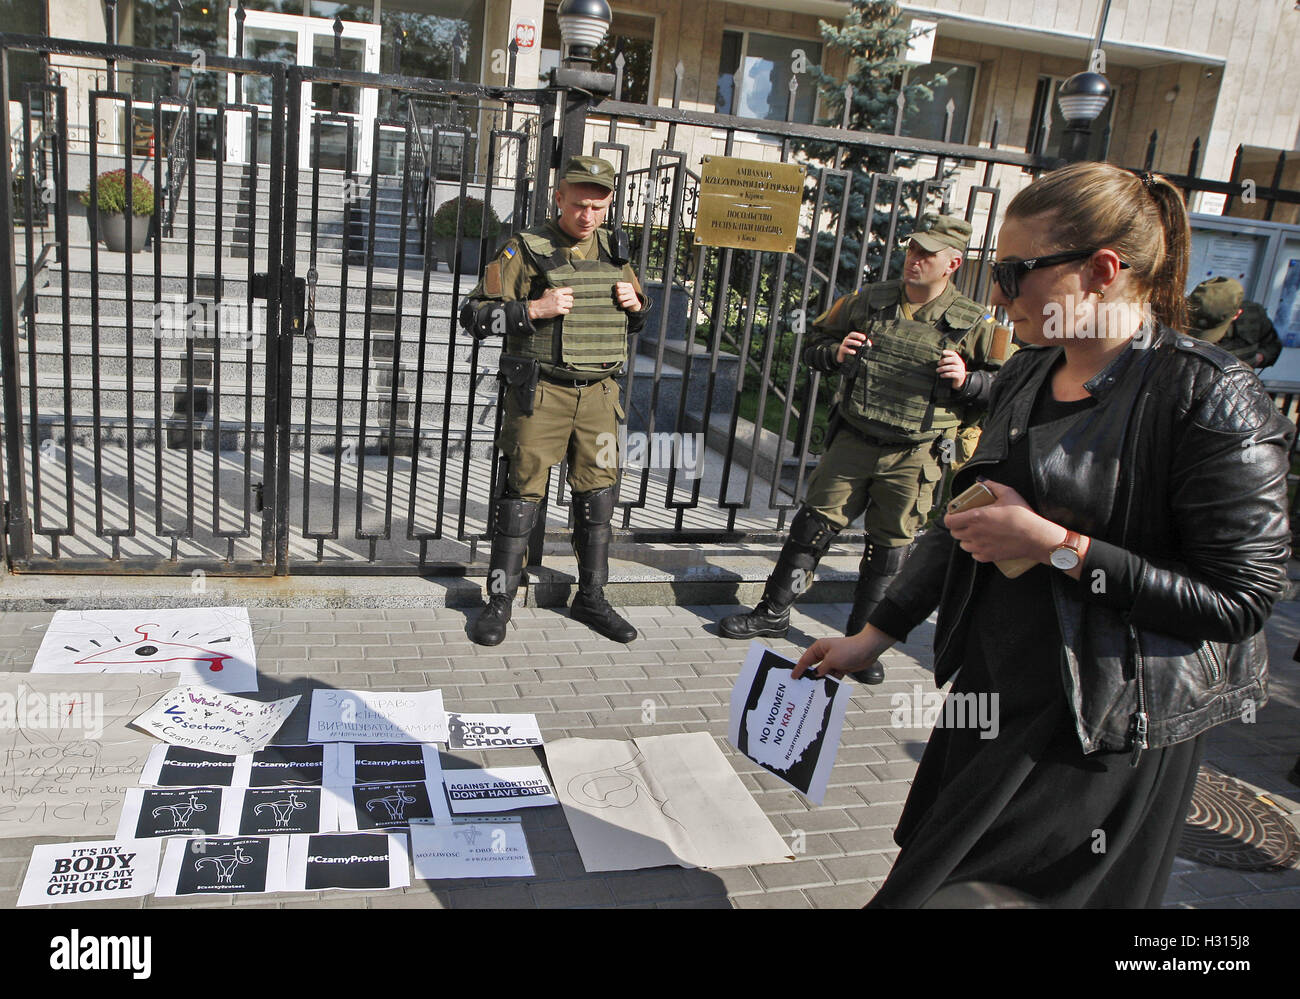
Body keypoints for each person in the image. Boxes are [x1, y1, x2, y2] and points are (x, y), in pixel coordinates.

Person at [794, 163, 1293, 908]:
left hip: (1101, 729)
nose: (998, 293)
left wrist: (1057, 543)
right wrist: (873, 636)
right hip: (996, 694)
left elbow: (1238, 599)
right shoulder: (1030, 372)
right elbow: (967, 521)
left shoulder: (1208, 394)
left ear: (1102, 271)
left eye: (1017, 271)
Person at [719, 214, 1012, 685]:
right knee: (811, 529)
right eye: (912, 249)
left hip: (915, 454)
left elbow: (1008, 387)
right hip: (854, 441)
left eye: (927, 255)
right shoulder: (867, 302)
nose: (914, 260)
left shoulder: (976, 324)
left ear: (953, 263)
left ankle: (860, 643)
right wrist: (835, 354)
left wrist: (971, 380)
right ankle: (774, 611)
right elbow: (815, 343)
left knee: (889, 550)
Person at [459, 155, 649, 647]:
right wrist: (531, 310)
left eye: (598, 205)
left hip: (601, 396)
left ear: (608, 204)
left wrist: (637, 306)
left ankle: (592, 598)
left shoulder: (615, 248)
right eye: (578, 203)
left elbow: (632, 314)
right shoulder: (523, 247)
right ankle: (499, 601)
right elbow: (474, 316)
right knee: (519, 499)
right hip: (540, 392)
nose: (587, 215)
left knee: (598, 499)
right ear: (558, 197)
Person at [1187, 276, 1283, 369]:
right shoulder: (1182, 318)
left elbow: (1273, 345)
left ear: (1237, 313)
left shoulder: (1253, 315)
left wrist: (1258, 358)